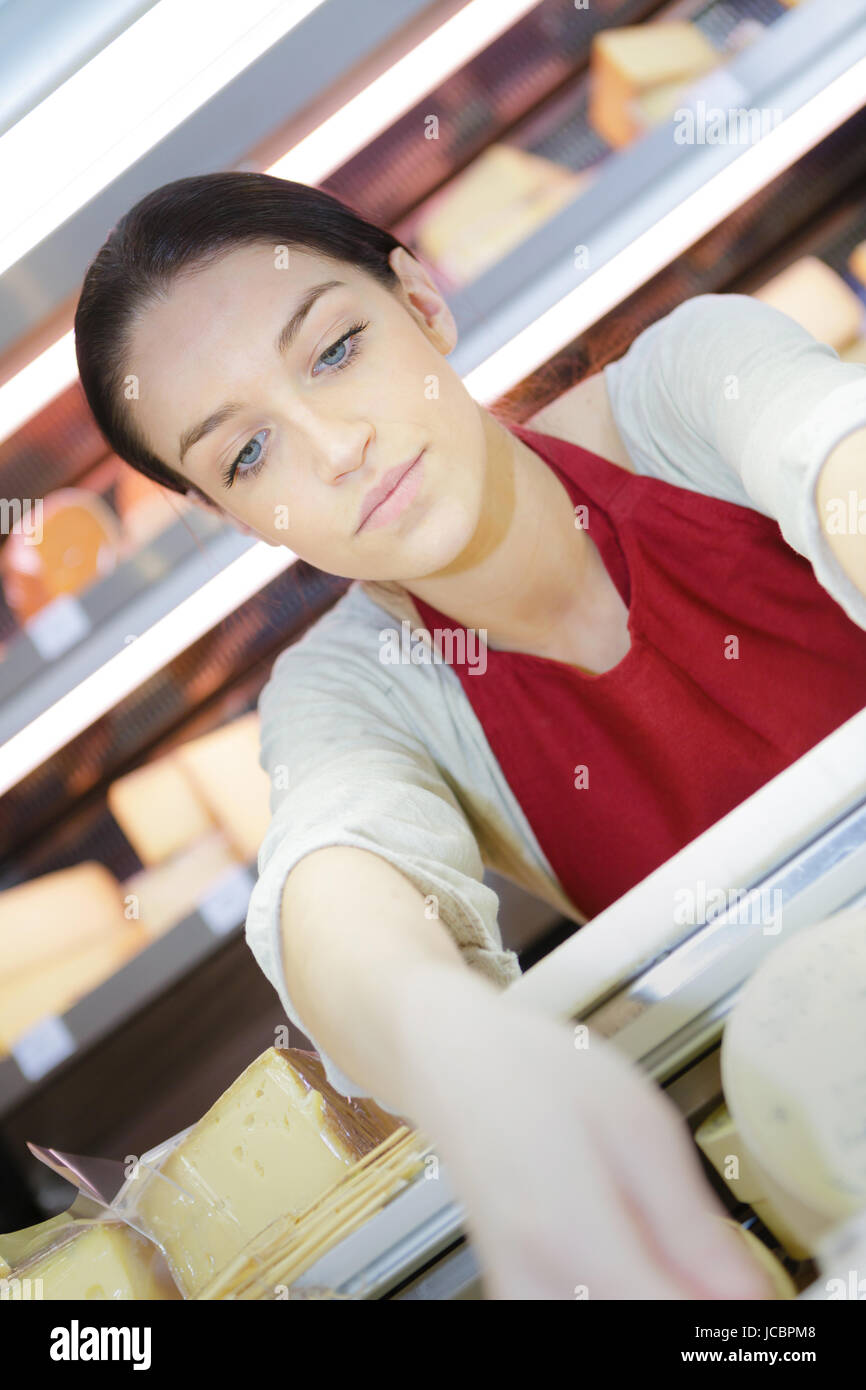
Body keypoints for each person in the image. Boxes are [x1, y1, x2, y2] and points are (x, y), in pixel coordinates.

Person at [73, 171, 866, 1300]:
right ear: (230, 518)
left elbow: (837, 456)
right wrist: (467, 1058)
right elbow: (339, 883)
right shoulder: (353, 690)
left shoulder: (693, 380)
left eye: (334, 349)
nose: (332, 446)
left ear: (420, 302)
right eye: (245, 455)